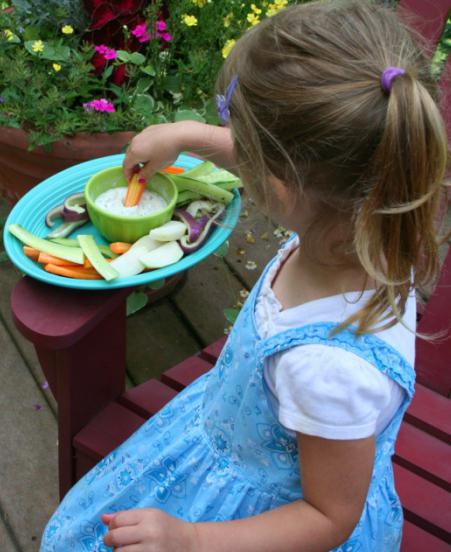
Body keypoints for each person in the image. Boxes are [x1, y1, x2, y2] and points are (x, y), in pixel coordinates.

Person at [40, 1, 448, 550]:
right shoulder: (369, 216)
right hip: (243, 432)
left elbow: (330, 517)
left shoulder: (328, 372)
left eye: (245, 148)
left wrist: (193, 540)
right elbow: (296, 161)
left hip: (264, 520)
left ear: (280, 182)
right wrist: (189, 135)